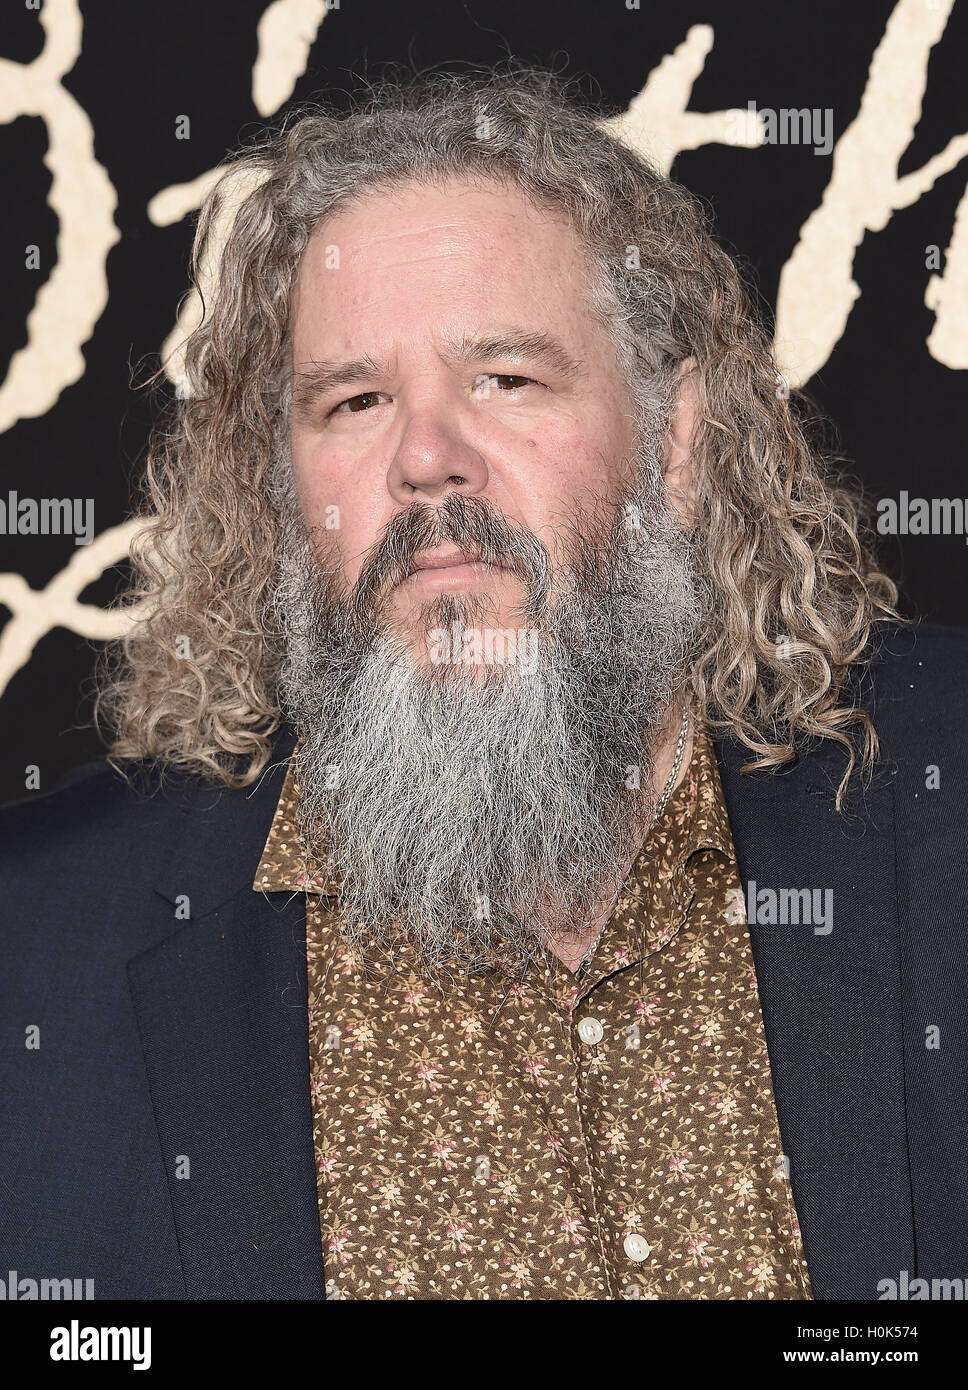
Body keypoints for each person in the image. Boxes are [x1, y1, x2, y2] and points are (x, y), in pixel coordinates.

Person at [1, 68, 965, 1302]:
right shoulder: (35, 961)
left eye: (502, 379)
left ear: (671, 447)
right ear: (284, 493)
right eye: (353, 401)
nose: (424, 459)